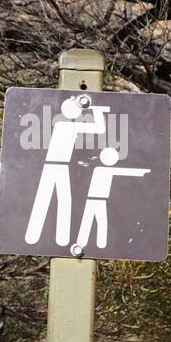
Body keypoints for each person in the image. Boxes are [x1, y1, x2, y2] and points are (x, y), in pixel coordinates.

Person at [24, 98, 109, 245]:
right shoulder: (66, 126)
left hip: (57, 166)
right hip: (54, 167)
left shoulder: (61, 125)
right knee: (53, 200)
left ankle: (46, 238)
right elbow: (98, 129)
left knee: (56, 200)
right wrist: (98, 111)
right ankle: (39, 237)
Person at [74, 147, 150, 250]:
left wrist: (145, 172)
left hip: (102, 200)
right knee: (93, 220)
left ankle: (101, 243)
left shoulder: (103, 168)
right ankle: (85, 243)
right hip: (95, 200)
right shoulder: (94, 168)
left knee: (102, 220)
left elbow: (127, 173)